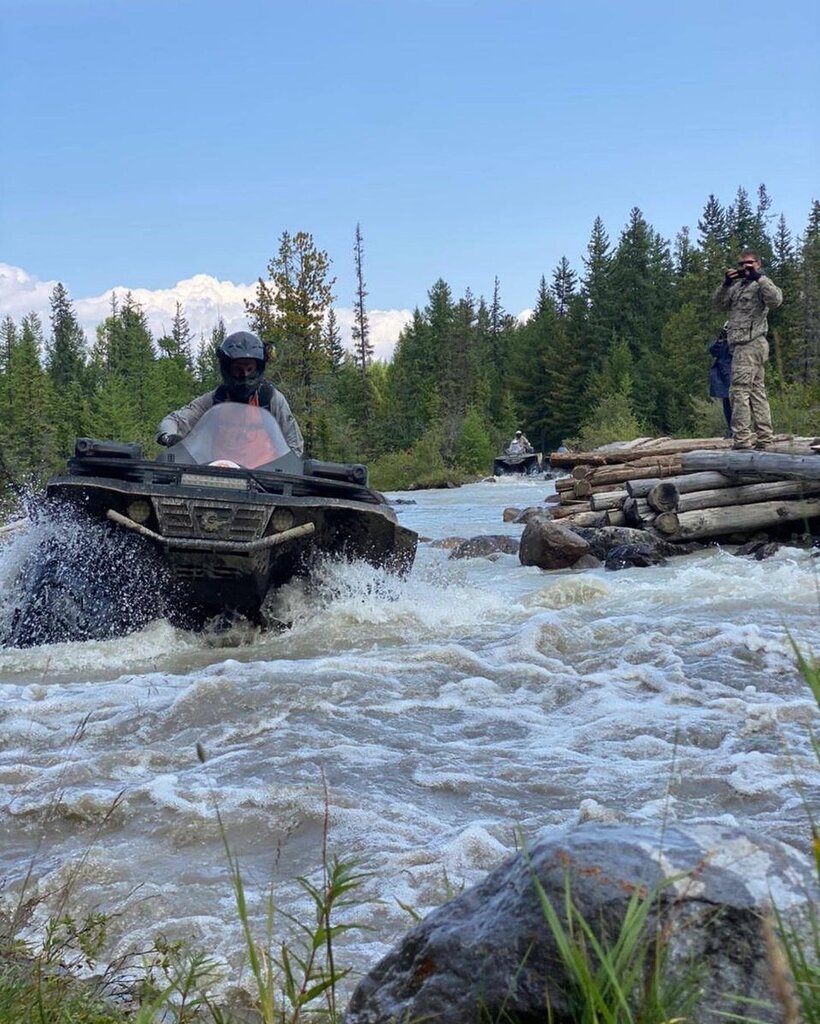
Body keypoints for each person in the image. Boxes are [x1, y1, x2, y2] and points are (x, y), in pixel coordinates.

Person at [156, 331, 305, 456]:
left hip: (263, 481)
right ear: (227, 369)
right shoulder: (215, 399)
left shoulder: (270, 398)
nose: (245, 375)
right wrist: (169, 437)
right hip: (217, 475)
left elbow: (295, 445)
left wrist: (284, 474)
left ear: (258, 369)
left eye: (250, 369)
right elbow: (174, 420)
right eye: (238, 369)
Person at [713, 249, 782, 451]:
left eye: (750, 263)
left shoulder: (761, 284)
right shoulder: (737, 288)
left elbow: (776, 300)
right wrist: (725, 284)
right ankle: (764, 438)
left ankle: (742, 440)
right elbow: (717, 305)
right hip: (741, 346)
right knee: (756, 391)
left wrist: (759, 278)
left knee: (739, 391)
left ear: (758, 264)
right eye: (742, 264)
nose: (746, 267)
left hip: (750, 344)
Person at [708, 323, 733, 437]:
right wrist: (721, 339)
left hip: (734, 376)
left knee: (739, 404)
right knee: (727, 405)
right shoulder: (721, 344)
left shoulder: (738, 344)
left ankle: (739, 429)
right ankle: (730, 429)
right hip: (723, 378)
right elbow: (712, 350)